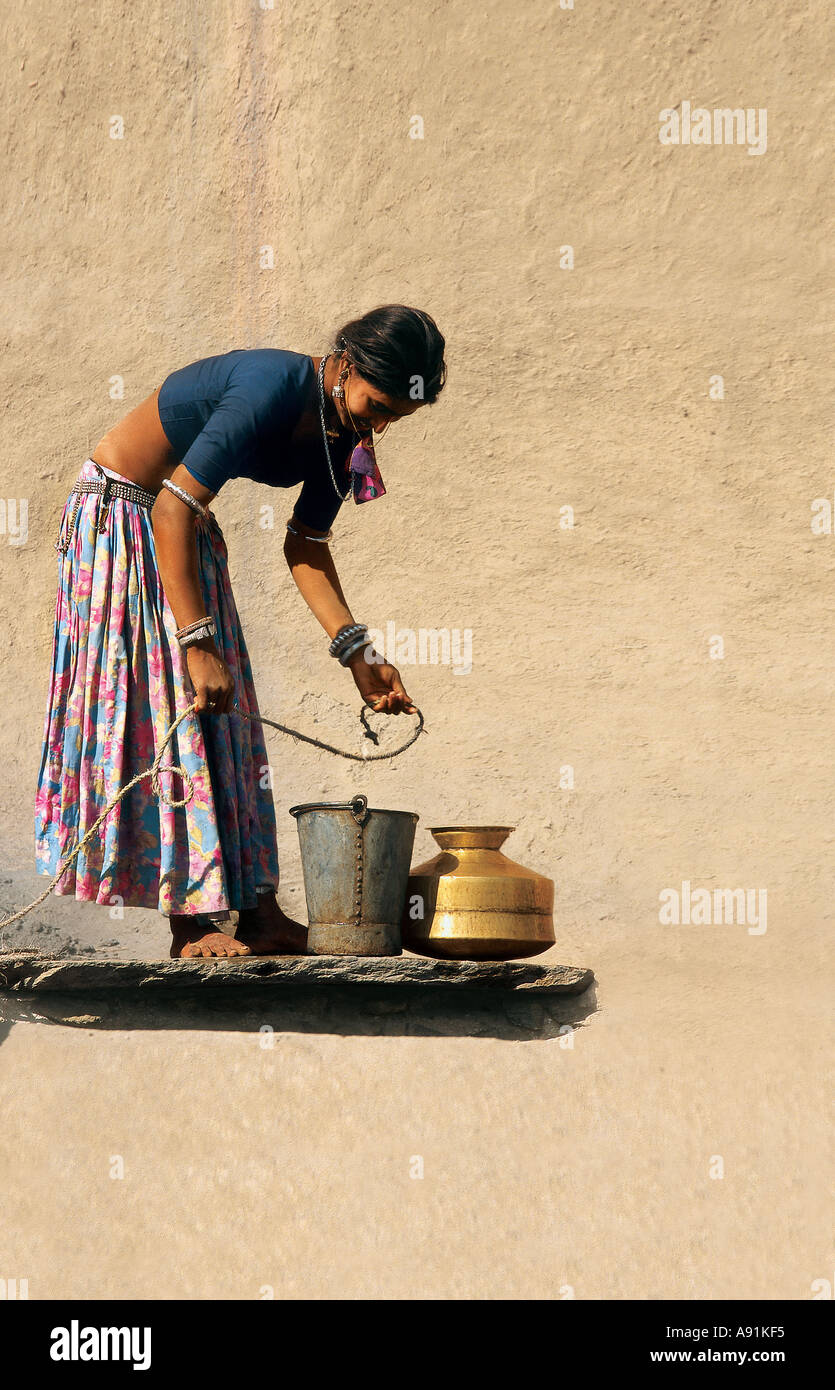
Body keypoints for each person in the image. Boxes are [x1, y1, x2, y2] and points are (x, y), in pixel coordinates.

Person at [34, 305, 447, 959]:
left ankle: (255, 913)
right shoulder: (270, 387)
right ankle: (190, 923)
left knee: (229, 713)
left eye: (396, 414)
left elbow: (306, 545)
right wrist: (196, 644)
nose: (381, 423)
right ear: (345, 363)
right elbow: (171, 502)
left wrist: (359, 655)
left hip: (181, 530)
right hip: (122, 517)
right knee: (174, 702)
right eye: (377, 403)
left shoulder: (343, 433)